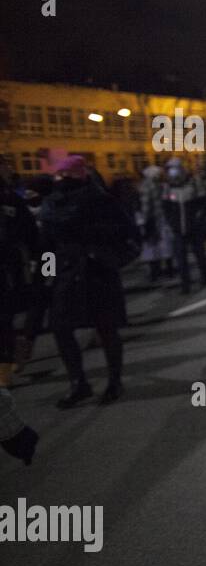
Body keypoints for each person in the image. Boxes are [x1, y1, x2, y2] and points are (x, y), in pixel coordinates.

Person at [39, 155, 137, 407]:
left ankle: (114, 381)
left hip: (97, 270)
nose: (60, 179)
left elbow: (126, 233)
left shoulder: (101, 200)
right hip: (66, 273)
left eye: (64, 174)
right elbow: (47, 246)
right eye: (58, 175)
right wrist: (48, 275)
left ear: (78, 175)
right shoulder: (51, 204)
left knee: (106, 328)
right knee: (61, 328)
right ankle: (78, 383)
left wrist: (106, 255)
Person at [0, 161, 40, 464]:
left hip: (9, 277)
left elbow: (34, 240)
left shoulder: (11, 201)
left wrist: (45, 273)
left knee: (5, 326)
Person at [160, 157, 206, 294]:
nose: (172, 172)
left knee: (199, 254)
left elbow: (203, 203)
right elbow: (165, 208)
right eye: (170, 169)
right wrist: (171, 223)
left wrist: (199, 219)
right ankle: (185, 285)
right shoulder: (167, 187)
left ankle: (205, 278)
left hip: (194, 227)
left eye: (175, 168)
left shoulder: (193, 182)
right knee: (181, 259)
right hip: (178, 229)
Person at [137, 164, 173, 281]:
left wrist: (144, 220)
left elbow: (146, 205)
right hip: (163, 219)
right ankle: (169, 270)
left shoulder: (146, 186)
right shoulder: (162, 185)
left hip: (152, 221)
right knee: (166, 246)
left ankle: (154, 273)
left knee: (151, 248)